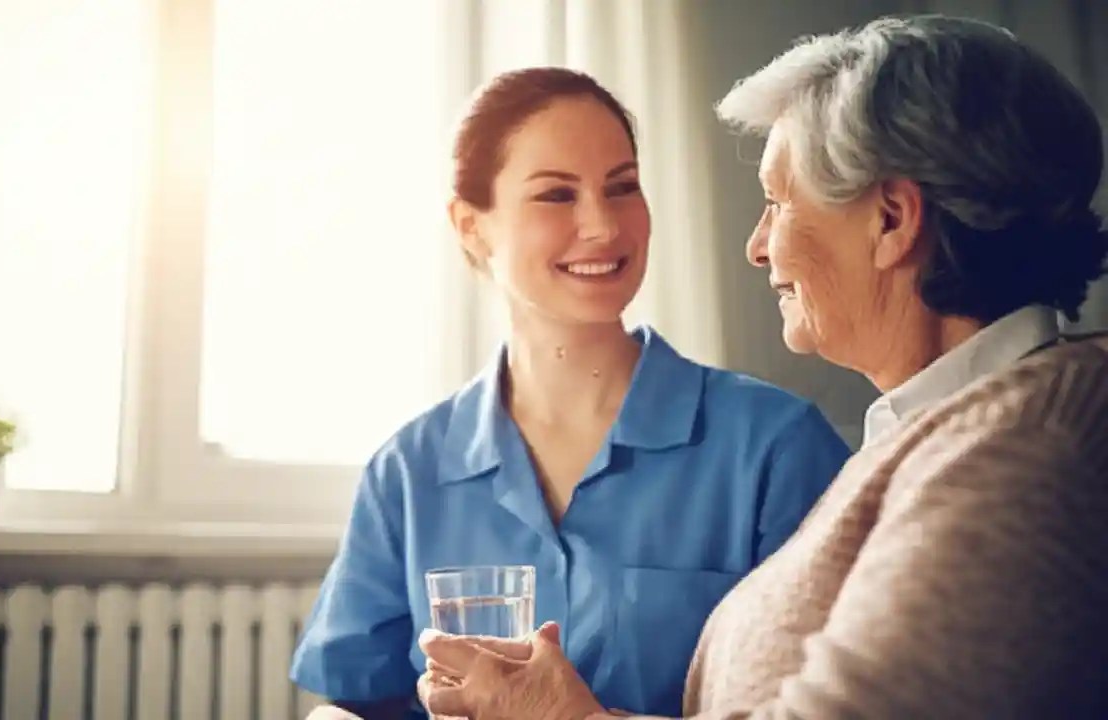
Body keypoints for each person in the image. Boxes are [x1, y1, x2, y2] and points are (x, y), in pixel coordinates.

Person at [417, 15, 1108, 719]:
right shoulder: (941, 430)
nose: (757, 246)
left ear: (893, 220)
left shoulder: (1034, 440)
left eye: (778, 202)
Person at [291, 67, 852, 718]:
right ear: (471, 225)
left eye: (622, 188)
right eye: (557, 195)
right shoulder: (407, 472)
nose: (603, 226)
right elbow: (348, 703)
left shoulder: (775, 448)